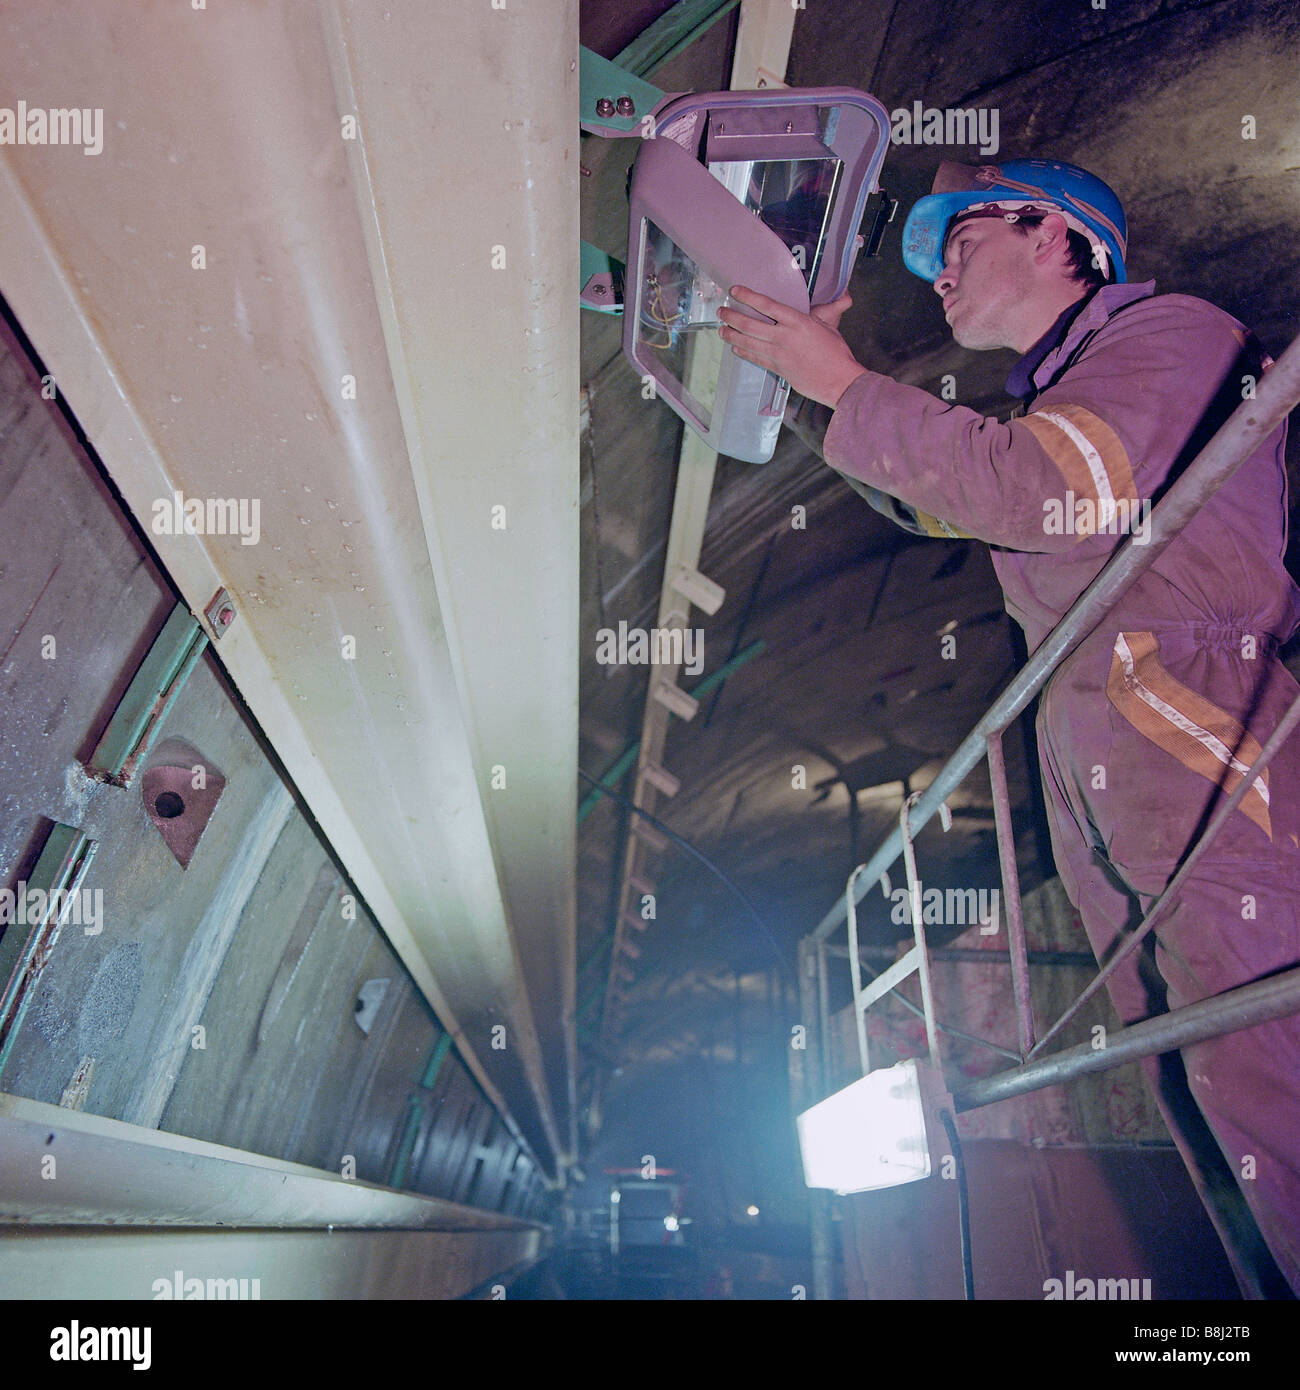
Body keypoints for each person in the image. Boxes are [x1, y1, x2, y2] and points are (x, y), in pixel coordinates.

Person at [719, 158, 1300, 1295]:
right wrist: (808, 387)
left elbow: (1044, 492)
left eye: (961, 237)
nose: (937, 271)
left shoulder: (1172, 334)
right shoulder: (1065, 393)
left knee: (1267, 1051)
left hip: (1193, 725)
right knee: (1199, 1078)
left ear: (1054, 235)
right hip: (1115, 757)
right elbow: (945, 490)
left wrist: (843, 382)